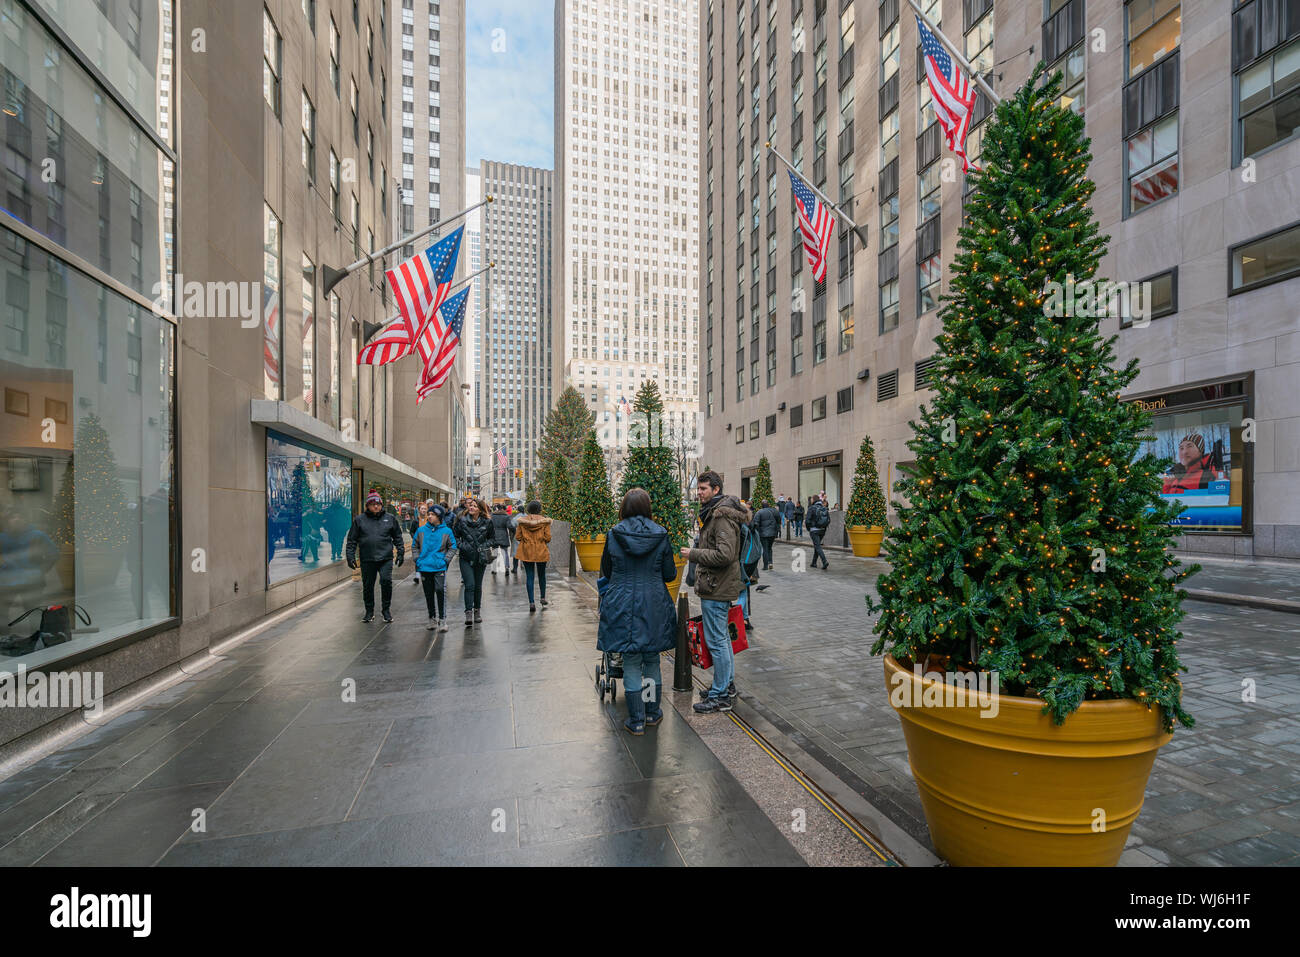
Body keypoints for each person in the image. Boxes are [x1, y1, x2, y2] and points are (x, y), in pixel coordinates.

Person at [598, 488, 678, 735]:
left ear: (624, 508)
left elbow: (606, 571)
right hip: (654, 602)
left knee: (631, 660)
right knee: (652, 658)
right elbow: (670, 574)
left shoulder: (614, 534)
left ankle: (637, 720)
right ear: (647, 508)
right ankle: (653, 712)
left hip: (622, 602)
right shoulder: (661, 534)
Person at [681, 470, 750, 713]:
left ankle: (720, 695)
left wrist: (694, 554)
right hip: (716, 584)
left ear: (716, 490)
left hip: (716, 586)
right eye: (698, 489)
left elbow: (725, 554)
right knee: (722, 640)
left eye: (703, 489)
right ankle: (726, 686)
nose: (699, 493)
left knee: (717, 641)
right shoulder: (714, 512)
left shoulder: (720, 517)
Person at [345, 491, 404, 622]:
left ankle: (386, 610)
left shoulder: (390, 518)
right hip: (367, 558)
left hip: (386, 558)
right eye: (372, 504)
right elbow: (352, 540)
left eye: (378, 504)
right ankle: (369, 611)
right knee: (368, 586)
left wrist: (400, 552)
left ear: (381, 504)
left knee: (386, 582)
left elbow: (398, 537)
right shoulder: (359, 520)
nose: (376, 507)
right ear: (368, 506)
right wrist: (350, 556)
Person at [412, 502, 456, 632]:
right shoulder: (421, 530)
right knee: (428, 593)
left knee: (440, 590)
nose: (429, 516)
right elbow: (415, 545)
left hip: (439, 566)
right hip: (424, 566)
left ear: (439, 516)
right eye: (429, 514)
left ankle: (442, 619)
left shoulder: (446, 531)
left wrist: (445, 560)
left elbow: (452, 546)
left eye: (433, 514)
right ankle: (432, 618)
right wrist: (417, 560)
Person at [452, 498, 493, 626]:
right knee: (469, 585)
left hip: (480, 558)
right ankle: (468, 612)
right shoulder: (462, 520)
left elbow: (493, 539)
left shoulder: (487, 522)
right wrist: (462, 545)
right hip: (465, 557)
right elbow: (455, 536)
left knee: (478, 586)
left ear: (480, 509)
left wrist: (484, 545)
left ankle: (477, 611)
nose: (471, 508)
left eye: (475, 506)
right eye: (470, 505)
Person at [514, 500, 553, 613]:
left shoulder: (522, 522)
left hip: (526, 551)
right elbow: (548, 538)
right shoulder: (545, 521)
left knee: (530, 576)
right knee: (542, 575)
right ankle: (542, 597)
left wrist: (527, 540)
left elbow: (518, 537)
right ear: (539, 509)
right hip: (541, 550)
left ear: (528, 509)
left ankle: (531, 602)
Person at [754, 499, 780, 571]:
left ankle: (765, 565)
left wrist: (756, 531)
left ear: (762, 505)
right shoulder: (774, 511)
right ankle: (770, 562)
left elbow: (756, 523)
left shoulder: (759, 512)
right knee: (769, 548)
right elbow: (779, 521)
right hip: (772, 533)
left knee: (765, 549)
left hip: (763, 533)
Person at [806, 494, 830, 571]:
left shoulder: (811, 508)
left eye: (811, 499)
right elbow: (828, 519)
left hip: (814, 530)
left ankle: (824, 561)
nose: (811, 500)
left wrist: (809, 529)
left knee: (818, 546)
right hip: (823, 530)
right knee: (817, 546)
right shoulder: (824, 507)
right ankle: (814, 562)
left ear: (813, 500)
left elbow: (807, 521)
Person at [490, 503, 514, 577]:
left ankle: (494, 569)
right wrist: (514, 531)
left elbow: (489, 526)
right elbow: (509, 526)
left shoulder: (492, 516)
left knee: (494, 553)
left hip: (494, 535)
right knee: (505, 553)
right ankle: (506, 568)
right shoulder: (506, 516)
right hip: (503, 535)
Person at [408, 502, 428, 586]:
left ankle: (426, 573)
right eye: (422, 509)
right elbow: (411, 531)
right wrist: (415, 538)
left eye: (425, 509)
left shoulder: (429, 519)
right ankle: (417, 575)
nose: (423, 510)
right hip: (418, 543)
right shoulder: (415, 521)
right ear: (419, 510)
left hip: (428, 543)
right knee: (418, 558)